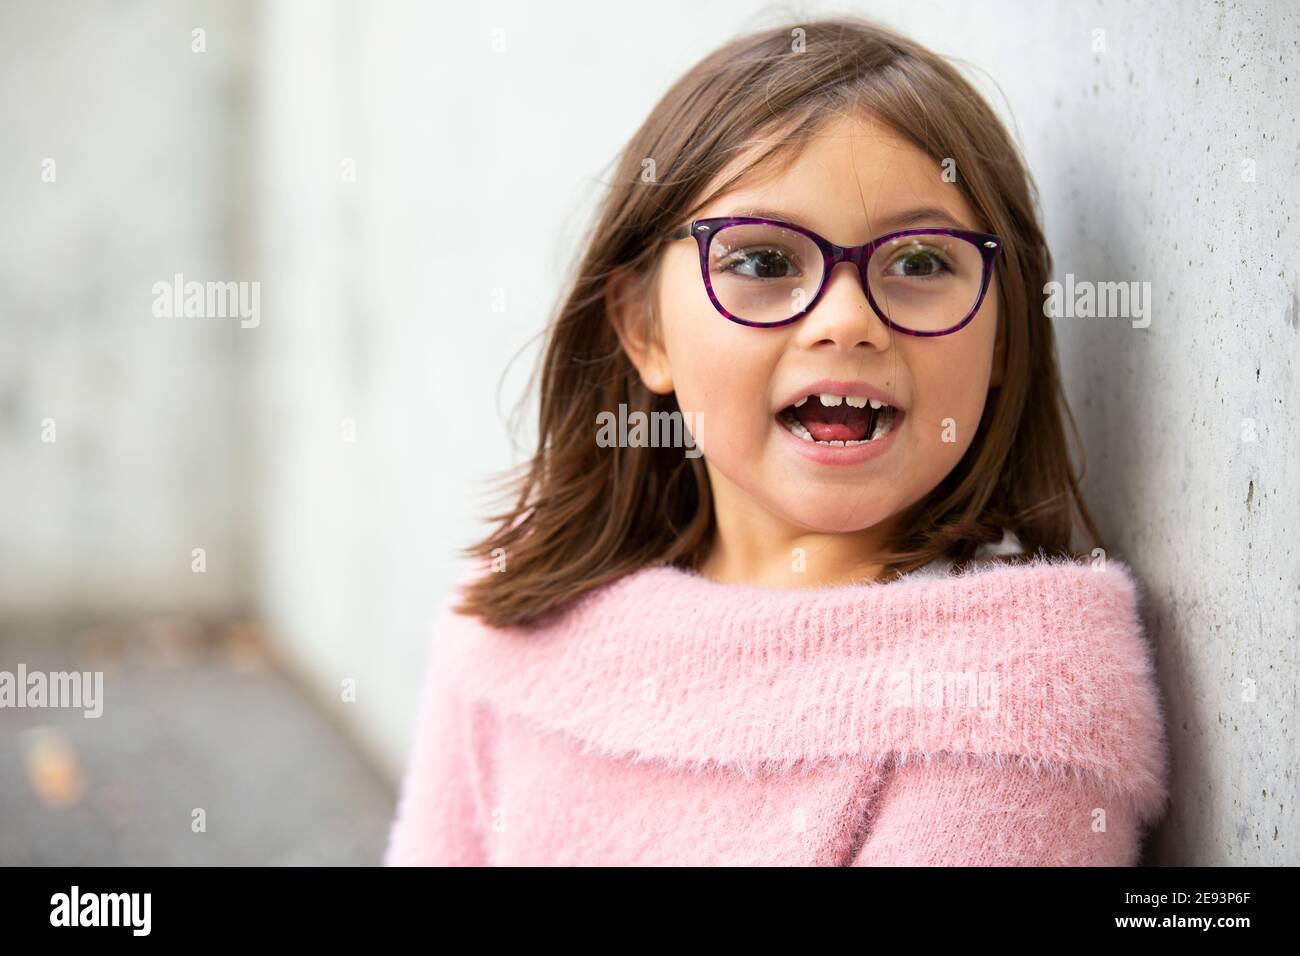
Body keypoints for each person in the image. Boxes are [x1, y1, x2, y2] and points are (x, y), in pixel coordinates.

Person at [383, 15, 1169, 866]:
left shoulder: (1014, 701)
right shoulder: (510, 623)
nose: (847, 321)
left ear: (1004, 338)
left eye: (920, 263)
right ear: (643, 329)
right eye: (762, 262)